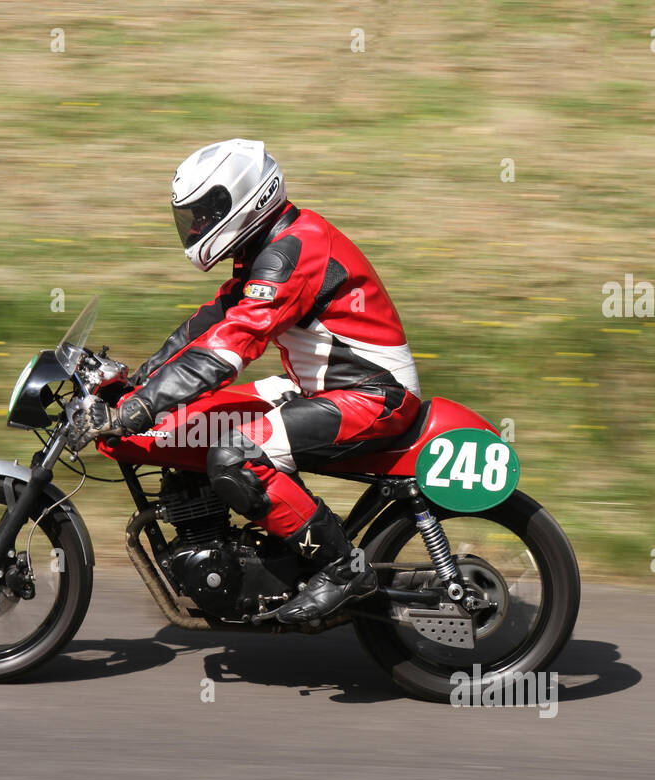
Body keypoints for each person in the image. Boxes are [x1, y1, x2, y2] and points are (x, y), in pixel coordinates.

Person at [89, 138, 422, 624]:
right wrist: (135, 385)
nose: (198, 226)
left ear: (247, 198)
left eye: (206, 212)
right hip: (325, 389)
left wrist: (138, 409)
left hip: (371, 397)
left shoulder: (293, 252)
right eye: (192, 217)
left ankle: (343, 569)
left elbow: (231, 347)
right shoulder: (269, 247)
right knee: (193, 424)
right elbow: (207, 325)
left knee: (236, 454)